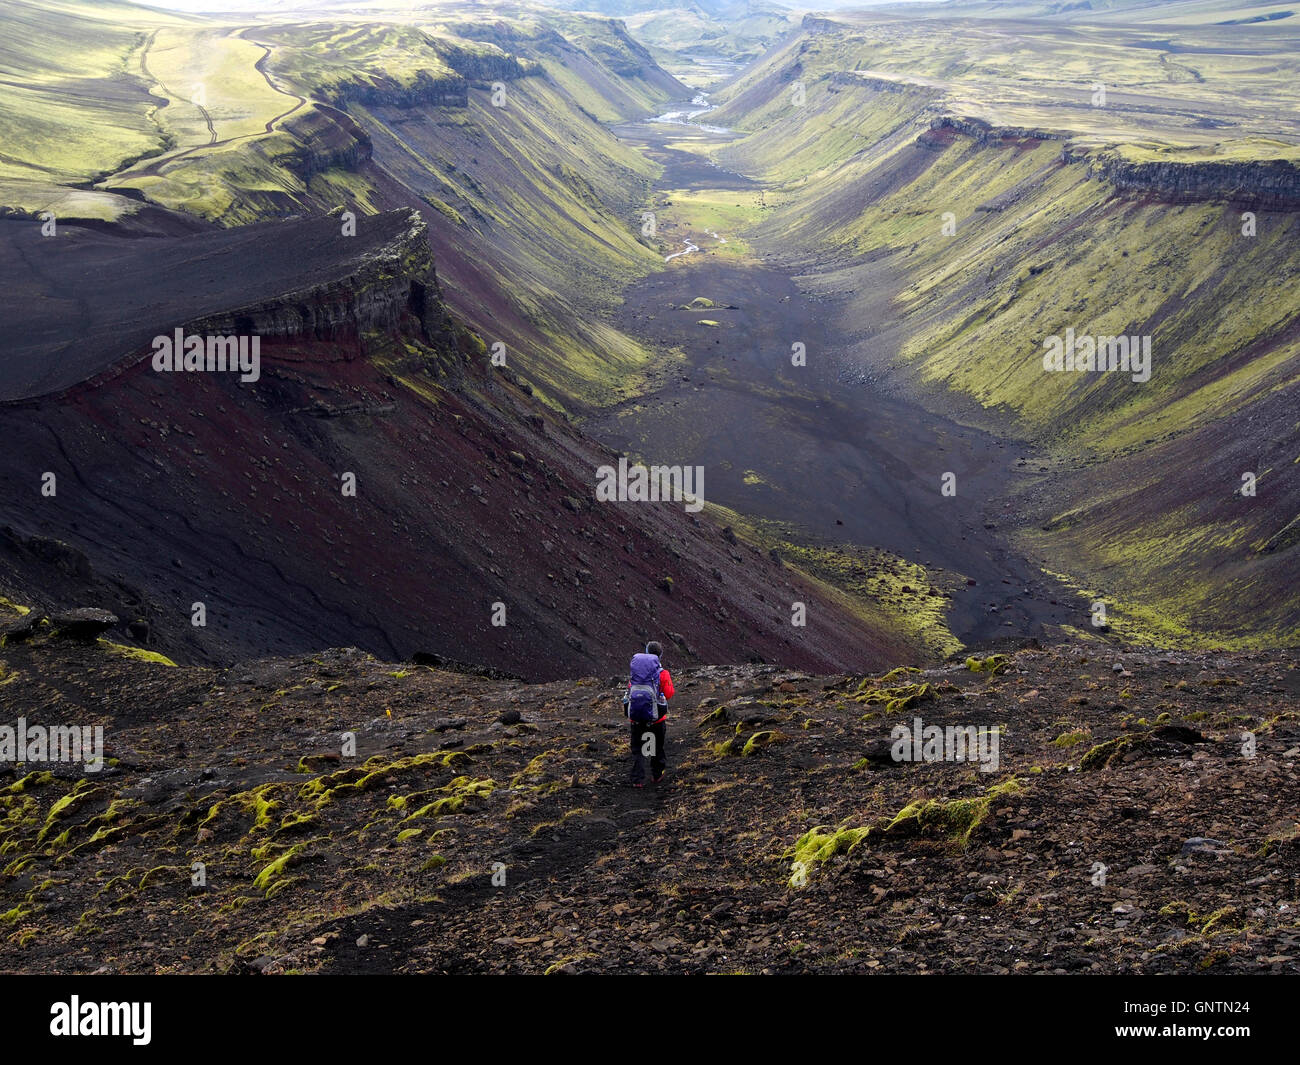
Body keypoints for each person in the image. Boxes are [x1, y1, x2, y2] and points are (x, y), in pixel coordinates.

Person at [623, 640, 674, 787]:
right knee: (657, 747)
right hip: (656, 719)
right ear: (660, 655)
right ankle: (656, 775)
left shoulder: (637, 673)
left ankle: (637, 779)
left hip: (637, 718)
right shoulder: (663, 673)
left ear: (646, 652)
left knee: (638, 749)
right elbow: (669, 694)